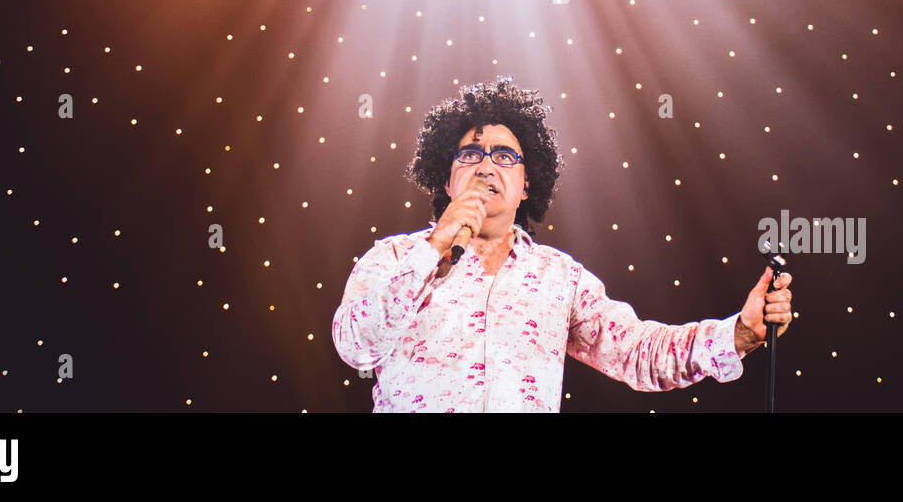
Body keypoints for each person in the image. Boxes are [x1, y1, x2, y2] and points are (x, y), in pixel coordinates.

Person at [331, 77, 794, 412]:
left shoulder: (560, 278)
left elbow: (637, 351)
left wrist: (739, 334)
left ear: (527, 184)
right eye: (470, 155)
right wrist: (432, 249)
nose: (486, 166)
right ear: (447, 180)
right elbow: (355, 347)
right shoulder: (393, 259)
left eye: (505, 157)